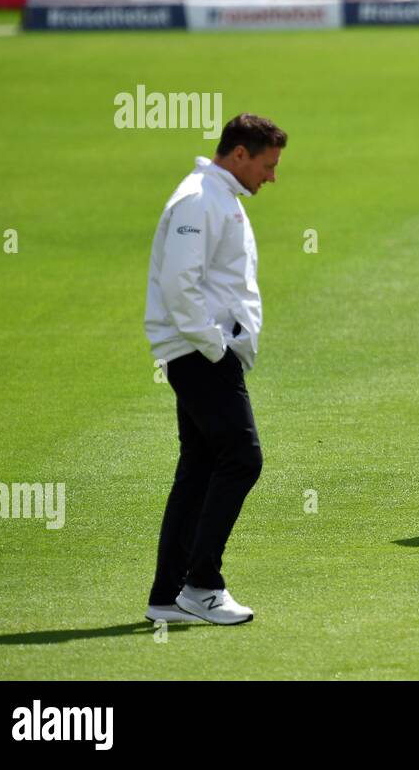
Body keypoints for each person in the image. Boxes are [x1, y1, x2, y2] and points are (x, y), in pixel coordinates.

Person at [143, 114, 286, 624]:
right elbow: (180, 284)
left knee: (200, 467)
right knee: (242, 459)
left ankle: (166, 596)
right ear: (240, 154)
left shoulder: (218, 195)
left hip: (202, 350)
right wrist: (216, 346)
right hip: (198, 352)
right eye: (267, 165)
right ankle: (202, 585)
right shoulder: (200, 198)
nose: (272, 176)